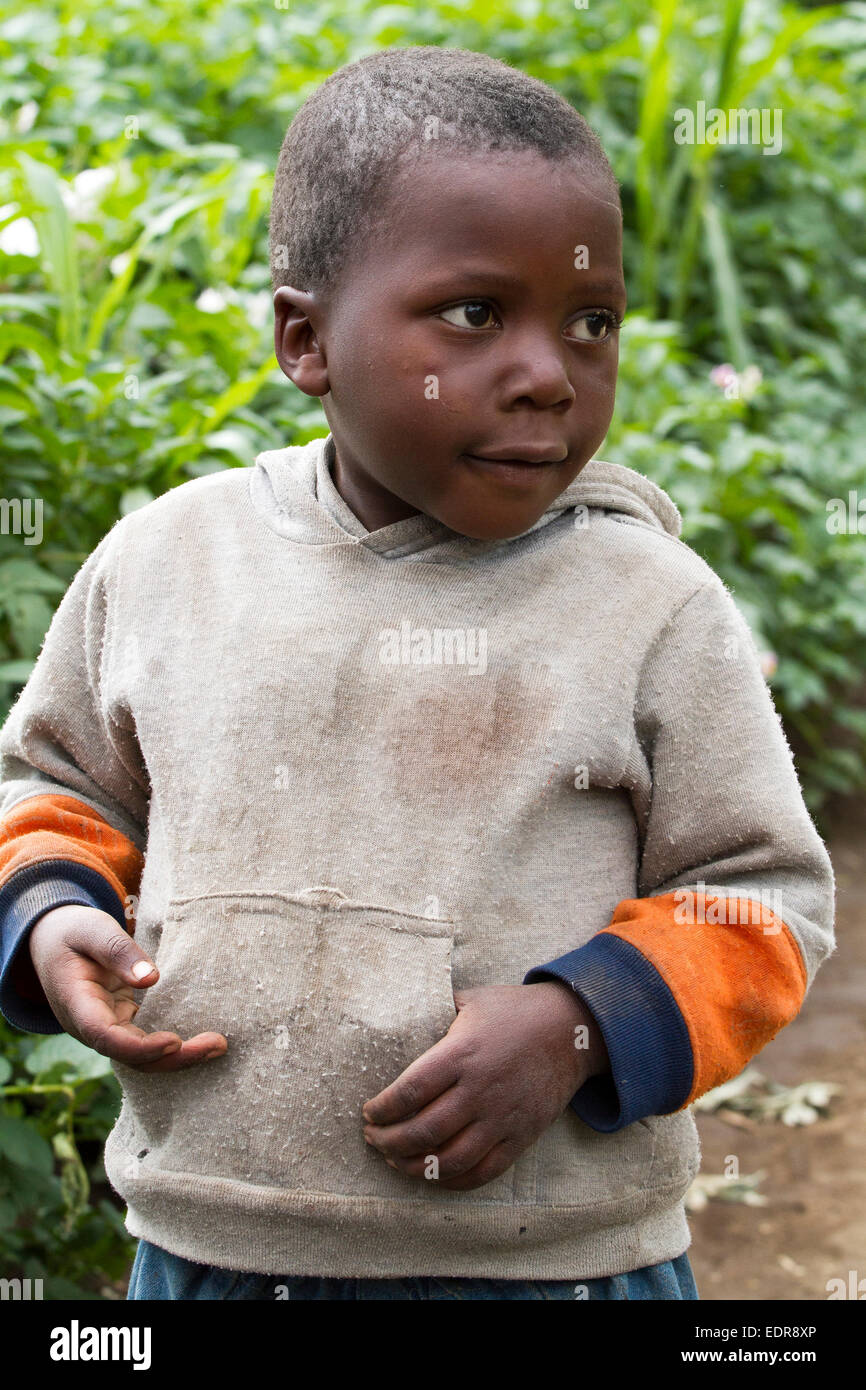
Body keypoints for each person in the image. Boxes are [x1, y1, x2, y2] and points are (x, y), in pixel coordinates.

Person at [0, 47, 834, 1301]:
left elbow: (761, 897)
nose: (549, 371)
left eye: (588, 321)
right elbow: (60, 786)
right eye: (474, 314)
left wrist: (576, 1025)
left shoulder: (649, 608)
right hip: (209, 1250)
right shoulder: (170, 562)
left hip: (551, 1268)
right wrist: (55, 916)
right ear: (305, 339)